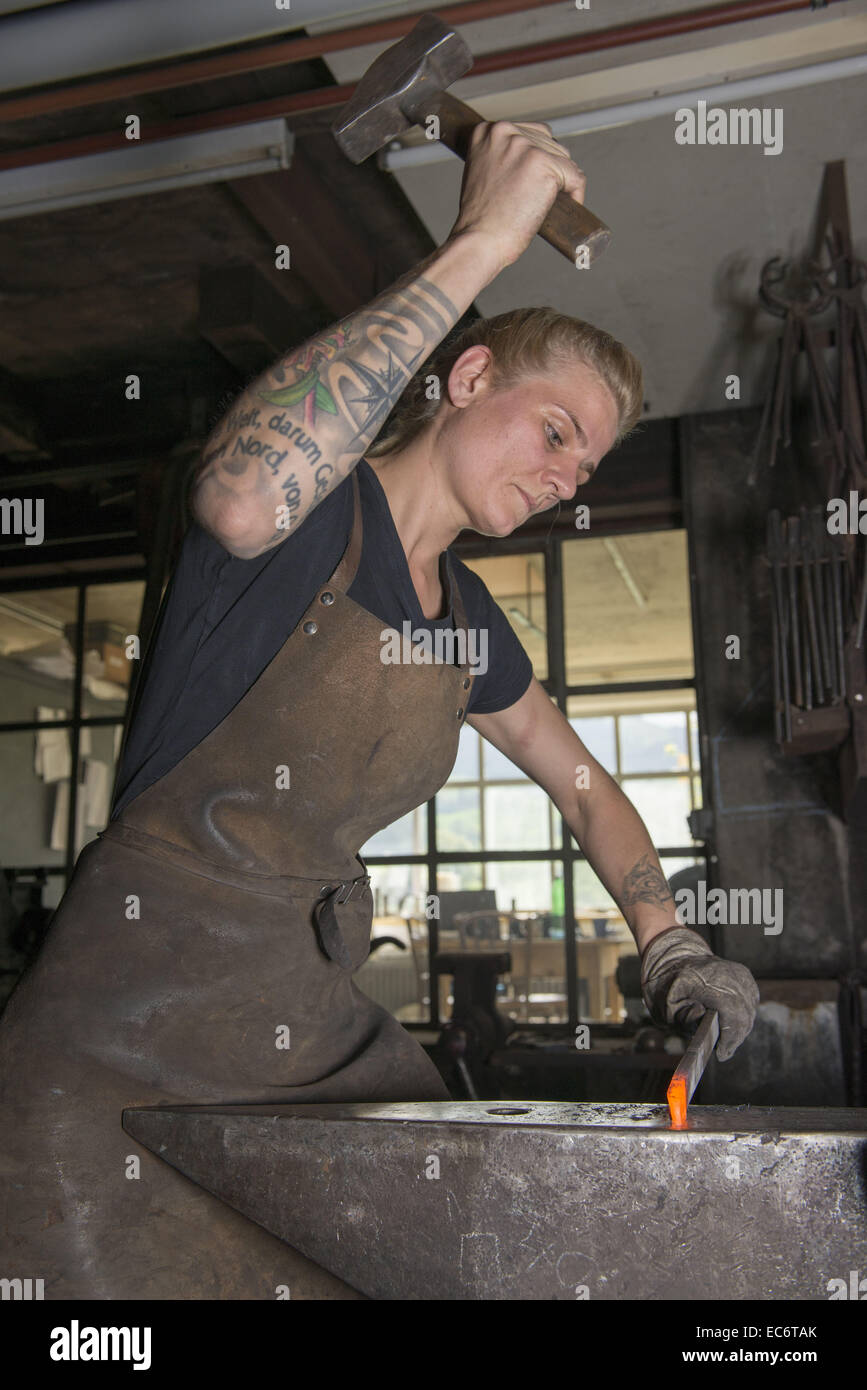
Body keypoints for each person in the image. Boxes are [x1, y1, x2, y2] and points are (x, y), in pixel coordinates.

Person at [0, 121, 758, 1300]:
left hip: (300, 1020)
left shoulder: (470, 627)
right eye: (556, 432)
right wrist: (482, 243)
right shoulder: (307, 511)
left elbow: (587, 788)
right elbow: (242, 498)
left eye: (586, 469)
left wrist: (670, 941)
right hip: (119, 1032)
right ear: (467, 379)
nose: (566, 480)